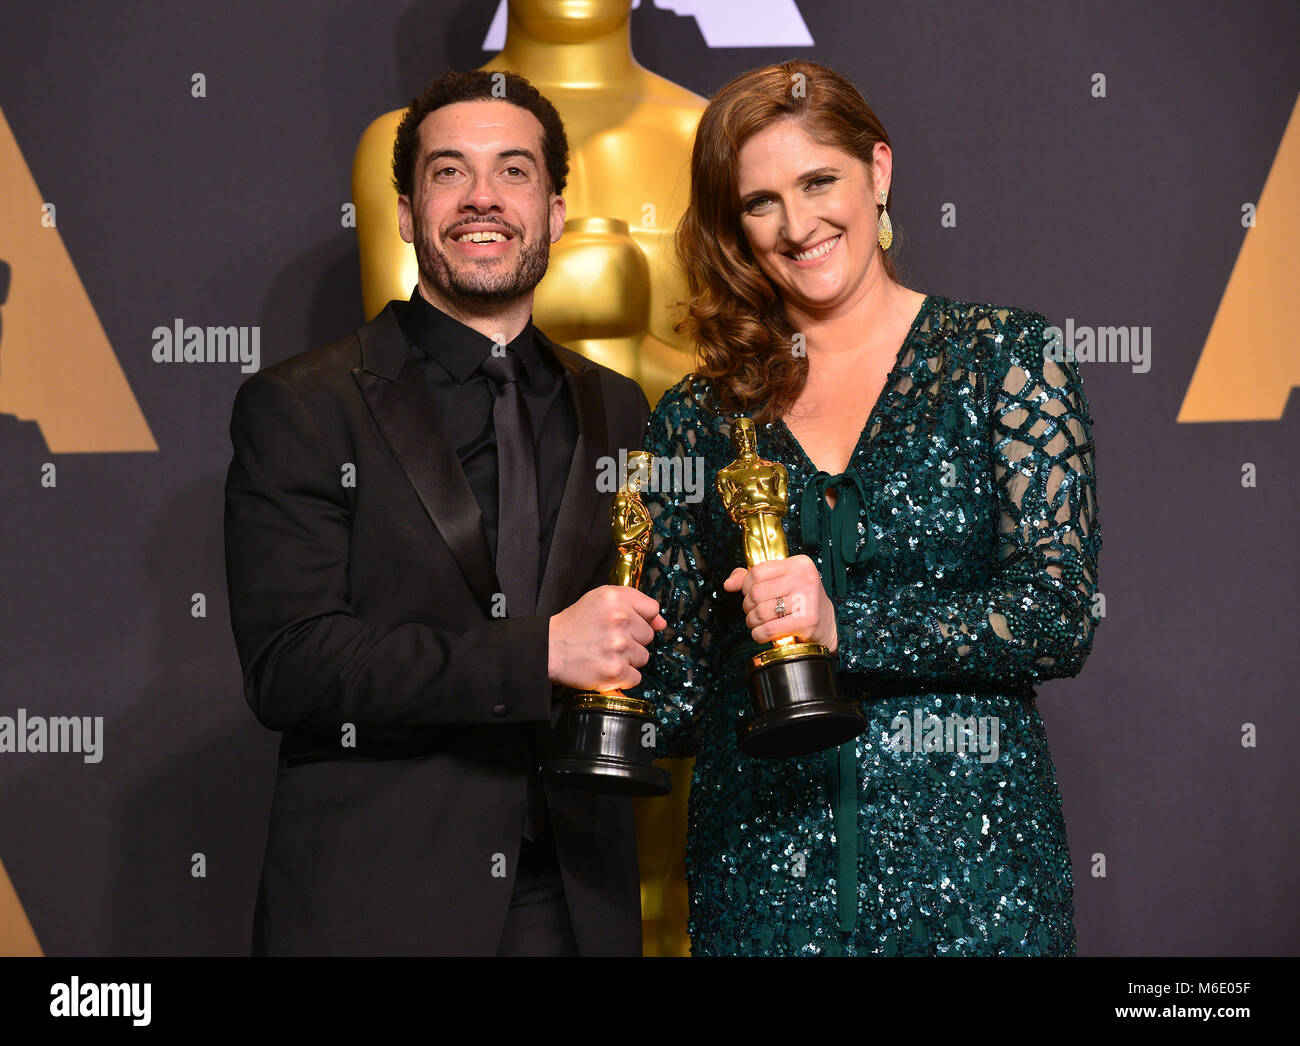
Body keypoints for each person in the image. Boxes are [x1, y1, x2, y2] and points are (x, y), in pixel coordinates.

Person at [638, 60, 1102, 956]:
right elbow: (680, 697)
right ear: (732, 227)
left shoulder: (1002, 359)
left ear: (878, 172)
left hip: (975, 876)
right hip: (762, 877)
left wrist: (848, 623)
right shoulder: (699, 416)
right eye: (760, 201)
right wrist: (596, 662)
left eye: (820, 181)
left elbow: (1058, 616)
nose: (798, 224)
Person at [223, 69, 664, 956]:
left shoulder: (616, 406)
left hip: (576, 899)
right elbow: (293, 664)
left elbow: (634, 629)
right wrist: (539, 653)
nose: (482, 199)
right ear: (403, 211)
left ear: (556, 210)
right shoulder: (304, 403)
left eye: (513, 171)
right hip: (378, 903)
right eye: (448, 172)